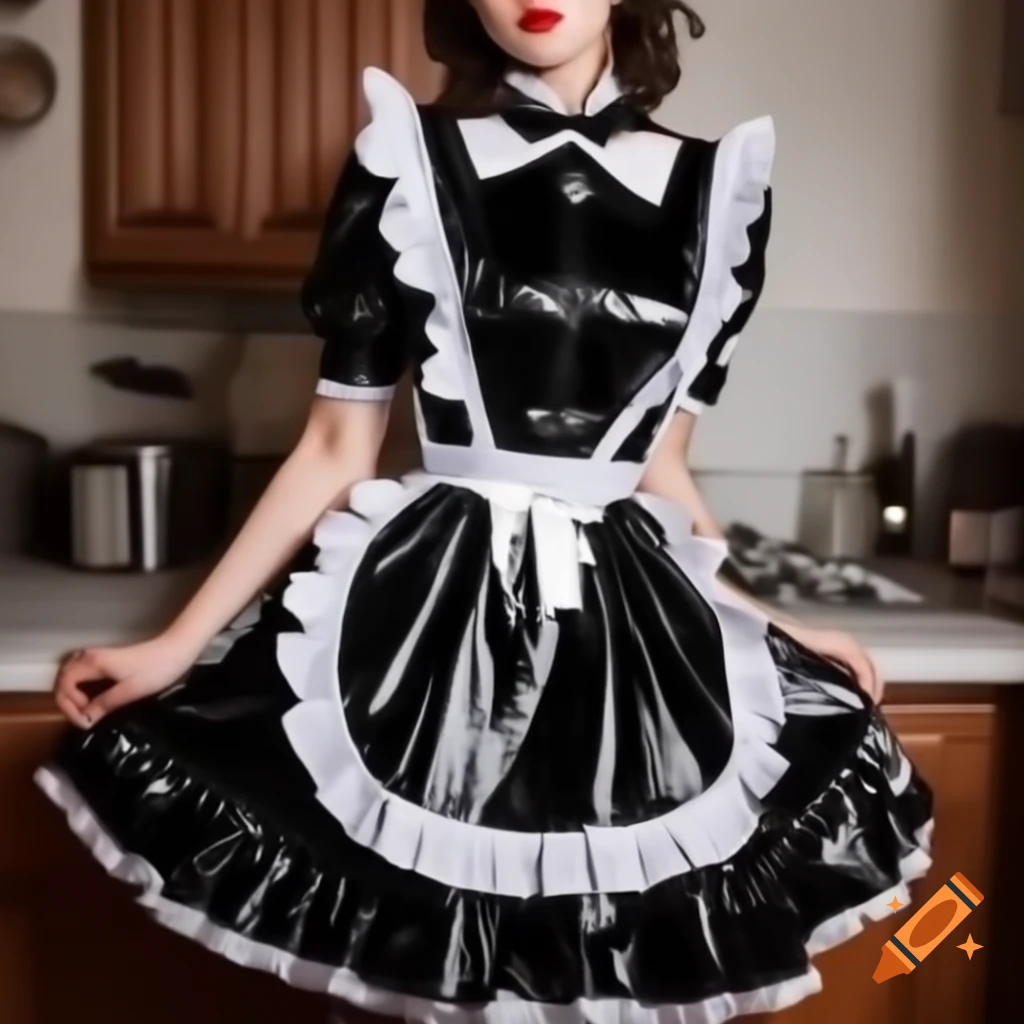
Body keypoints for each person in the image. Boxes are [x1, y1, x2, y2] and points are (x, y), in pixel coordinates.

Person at [40, 1, 933, 1021]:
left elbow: (661, 473)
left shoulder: (719, 188)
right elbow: (339, 443)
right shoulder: (407, 157)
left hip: (625, 619)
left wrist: (769, 619)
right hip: (433, 616)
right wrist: (176, 644)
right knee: (417, 967)